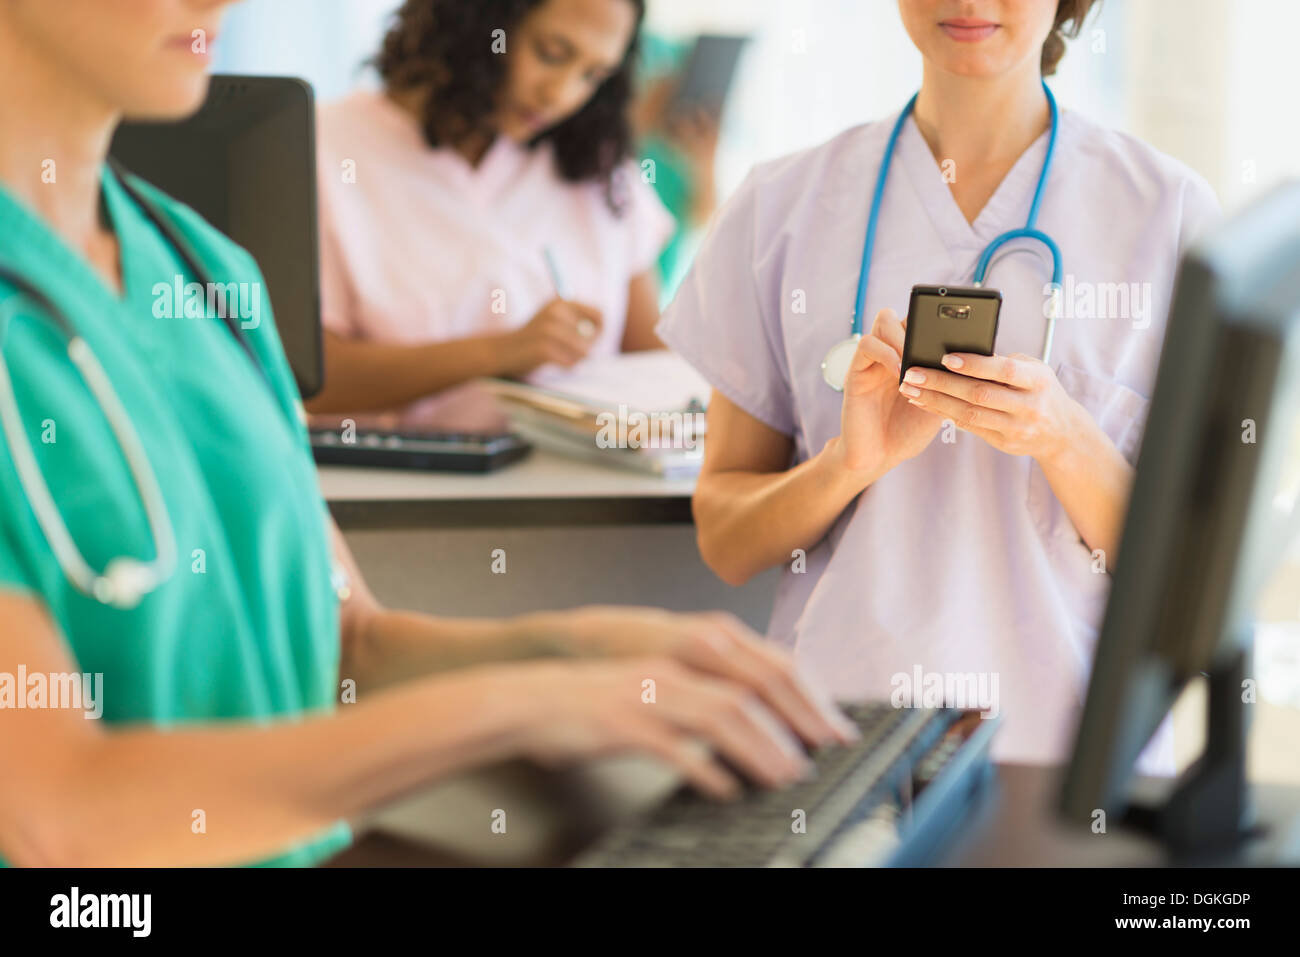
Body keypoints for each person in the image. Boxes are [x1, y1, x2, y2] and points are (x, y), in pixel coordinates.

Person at [0, 0, 854, 868]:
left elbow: (348, 648)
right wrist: (513, 709)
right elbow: (56, 813)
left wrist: (584, 650)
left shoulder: (207, 270)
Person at [657, 0, 1222, 768]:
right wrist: (847, 467)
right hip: (837, 745)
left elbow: (1190, 567)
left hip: (1067, 757)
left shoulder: (1168, 212)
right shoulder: (777, 206)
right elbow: (726, 540)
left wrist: (1060, 434)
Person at [309, 0, 677, 416]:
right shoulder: (322, 146)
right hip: (398, 478)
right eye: (551, 53)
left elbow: (653, 365)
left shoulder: (594, 165)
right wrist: (501, 353)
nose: (560, 94)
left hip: (581, 479)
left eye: (592, 75)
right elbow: (312, 379)